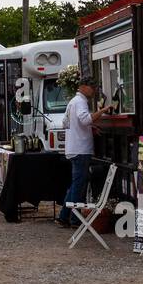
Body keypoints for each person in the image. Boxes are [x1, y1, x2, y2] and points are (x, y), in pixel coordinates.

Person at [56, 75, 107, 228]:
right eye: (92, 88)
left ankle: (64, 216)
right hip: (80, 149)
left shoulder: (73, 102)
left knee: (75, 184)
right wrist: (102, 111)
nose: (94, 91)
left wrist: (88, 128)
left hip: (73, 147)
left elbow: (66, 123)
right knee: (79, 185)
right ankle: (74, 219)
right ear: (84, 87)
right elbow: (85, 120)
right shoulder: (80, 102)